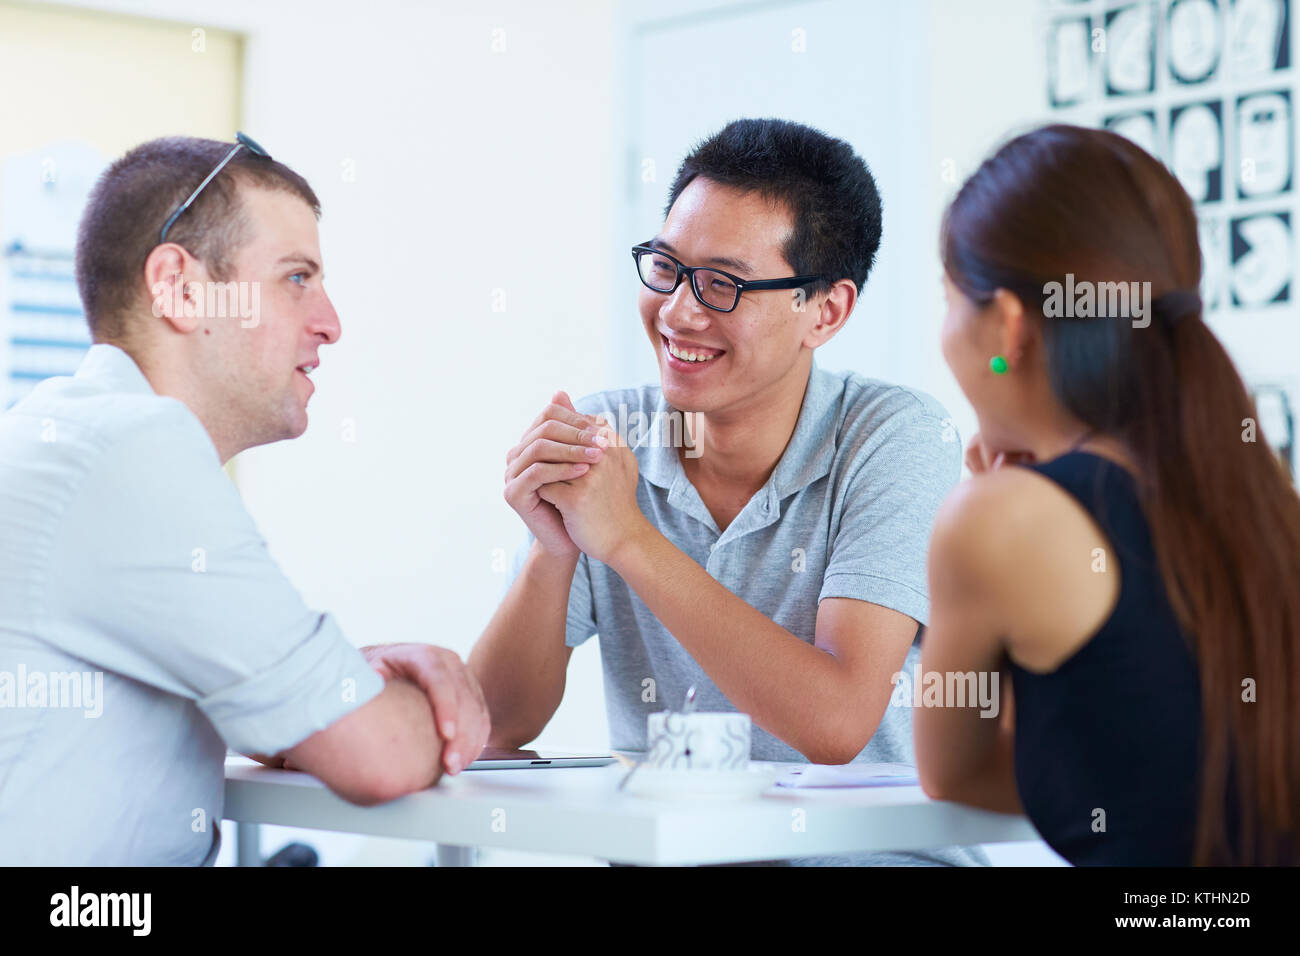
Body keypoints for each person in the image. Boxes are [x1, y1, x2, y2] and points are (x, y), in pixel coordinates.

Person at [471, 118, 986, 866]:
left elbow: (838, 723)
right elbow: (494, 725)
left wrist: (630, 542)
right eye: (666, 268)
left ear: (825, 311)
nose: (678, 310)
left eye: (723, 283)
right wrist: (554, 552)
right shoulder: (613, 433)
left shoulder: (894, 436)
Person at [0, 134, 489, 865]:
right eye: (296, 278)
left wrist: (338, 686)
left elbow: (275, 708)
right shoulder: (134, 448)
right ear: (180, 287)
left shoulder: (67, 432)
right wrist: (436, 698)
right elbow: (376, 754)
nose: (330, 321)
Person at [916, 123, 1300, 865]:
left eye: (949, 296)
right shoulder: (1267, 506)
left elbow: (955, 774)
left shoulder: (996, 521)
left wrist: (1004, 509)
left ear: (1007, 325)